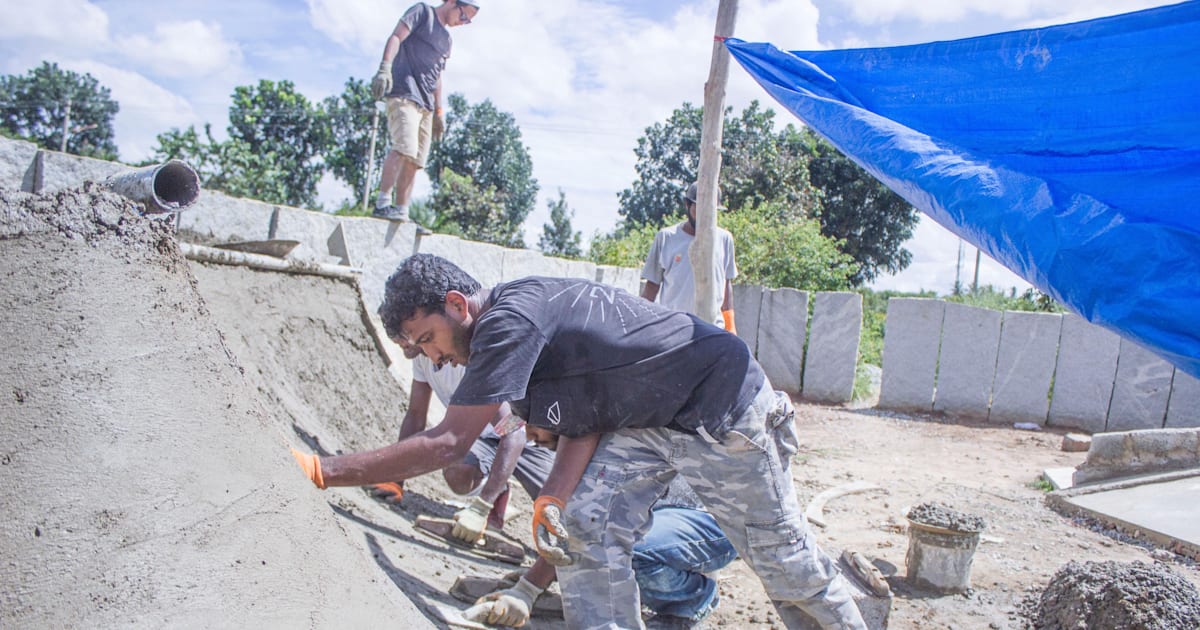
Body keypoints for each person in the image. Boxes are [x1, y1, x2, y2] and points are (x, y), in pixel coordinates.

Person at [290, 254, 866, 629]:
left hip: (722, 409)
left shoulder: (507, 323)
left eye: (427, 339)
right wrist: (553, 499)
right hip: (651, 424)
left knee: (784, 564)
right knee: (585, 528)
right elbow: (585, 420)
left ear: (458, 306)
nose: (433, 358)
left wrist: (323, 470)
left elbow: (447, 442)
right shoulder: (522, 333)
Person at [468, 459, 737, 626]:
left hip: (710, 517)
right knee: (605, 539)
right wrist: (527, 590)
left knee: (626, 548)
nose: (532, 438)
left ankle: (692, 600)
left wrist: (529, 589)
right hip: (660, 514)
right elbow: (586, 519)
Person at [380, 333, 555, 543]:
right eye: (392, 334)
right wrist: (395, 480)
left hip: (528, 439)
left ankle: (494, 492)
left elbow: (514, 427)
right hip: (481, 438)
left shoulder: (464, 360)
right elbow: (416, 415)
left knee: (562, 505)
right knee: (458, 472)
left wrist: (481, 507)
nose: (397, 340)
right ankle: (497, 491)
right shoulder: (422, 360)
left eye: (402, 334)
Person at [369, 0, 478, 223]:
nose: (463, 22)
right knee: (403, 147)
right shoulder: (422, 13)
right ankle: (382, 204)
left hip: (426, 104)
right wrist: (384, 68)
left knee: (416, 160)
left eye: (468, 21)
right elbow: (396, 37)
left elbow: (438, 76)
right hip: (405, 91)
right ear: (451, 2)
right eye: (463, 16)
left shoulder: (447, 40)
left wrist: (439, 111)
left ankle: (401, 210)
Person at [641, 181, 738, 332]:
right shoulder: (667, 238)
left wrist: (730, 325)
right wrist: (640, 321)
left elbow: (725, 283)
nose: (705, 216)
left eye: (710, 211)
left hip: (712, 329)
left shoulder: (724, 239)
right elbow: (652, 286)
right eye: (700, 209)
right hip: (673, 328)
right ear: (687, 204)